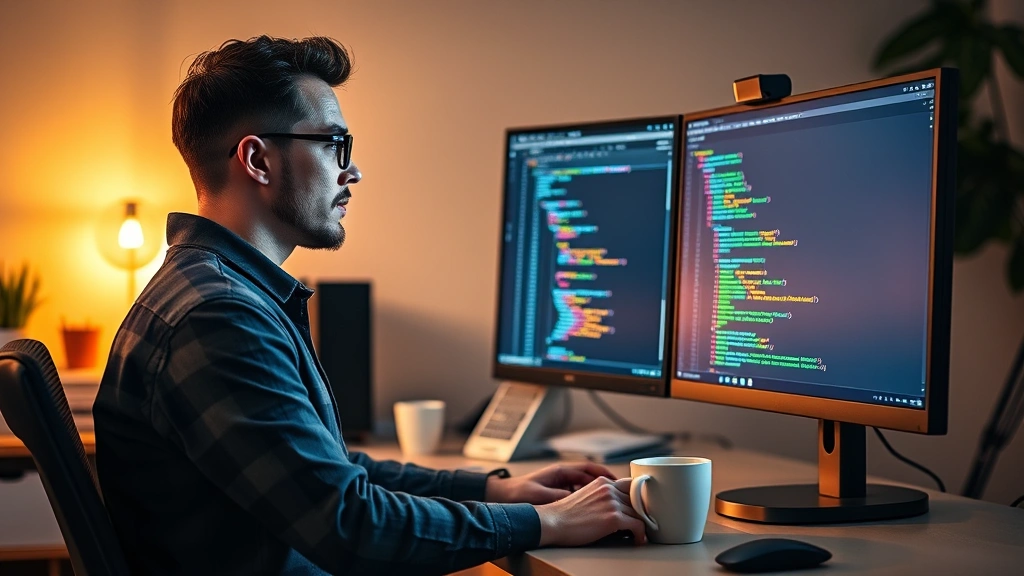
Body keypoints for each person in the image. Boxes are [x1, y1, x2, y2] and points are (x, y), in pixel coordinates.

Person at [93, 35, 646, 575]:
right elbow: (351, 525)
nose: (352, 171)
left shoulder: (218, 294)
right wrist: (543, 522)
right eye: (335, 145)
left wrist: (493, 487)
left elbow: (325, 469)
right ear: (258, 160)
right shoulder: (216, 318)